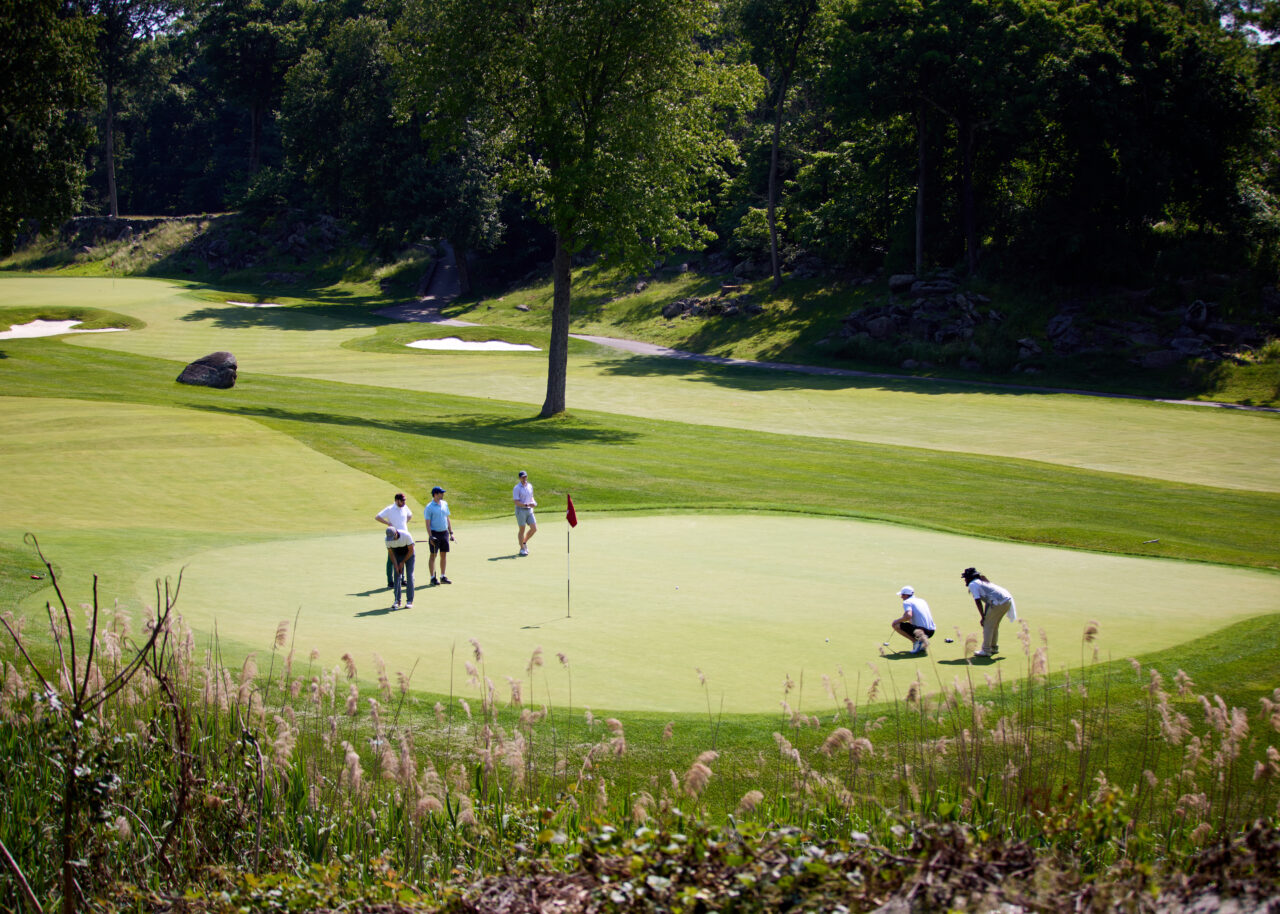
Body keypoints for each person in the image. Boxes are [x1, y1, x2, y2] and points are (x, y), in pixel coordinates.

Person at [962, 567, 1018, 657]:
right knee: (994, 625)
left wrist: (983, 617)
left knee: (988, 625)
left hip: (1000, 602)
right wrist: (984, 616)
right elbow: (988, 601)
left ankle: (986, 650)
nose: (965, 580)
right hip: (1006, 601)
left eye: (966, 578)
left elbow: (978, 601)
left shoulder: (973, 584)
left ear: (970, 577)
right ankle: (993, 648)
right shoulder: (981, 582)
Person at [375, 493, 412, 588]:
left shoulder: (405, 507)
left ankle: (402, 579)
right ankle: (390, 581)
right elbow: (377, 517)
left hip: (404, 537)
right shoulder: (390, 509)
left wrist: (404, 523)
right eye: (402, 500)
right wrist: (388, 523)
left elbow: (410, 515)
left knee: (403, 558)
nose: (404, 502)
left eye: (404, 500)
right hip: (393, 537)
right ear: (396, 500)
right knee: (391, 560)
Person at [891, 586, 936, 654]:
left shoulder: (907, 602)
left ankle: (916, 643)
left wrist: (896, 621)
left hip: (921, 631)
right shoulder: (922, 600)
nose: (901, 597)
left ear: (906, 595)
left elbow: (908, 616)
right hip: (932, 631)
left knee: (895, 625)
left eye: (902, 595)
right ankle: (922, 643)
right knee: (910, 623)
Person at [424, 485, 455, 585]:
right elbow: (427, 523)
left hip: (444, 532)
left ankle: (442, 576)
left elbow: (447, 518)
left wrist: (451, 532)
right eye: (441, 493)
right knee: (433, 555)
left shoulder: (444, 504)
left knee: (443, 554)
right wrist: (430, 536)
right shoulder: (429, 507)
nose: (443, 494)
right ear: (435, 494)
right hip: (435, 533)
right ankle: (432, 577)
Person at [385, 526, 415, 609]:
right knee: (397, 575)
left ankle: (409, 601)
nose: (391, 539)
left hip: (409, 554)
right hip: (397, 554)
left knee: (409, 575)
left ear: (396, 533)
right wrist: (395, 565)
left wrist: (402, 562)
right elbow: (391, 553)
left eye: (392, 537)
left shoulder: (406, 535)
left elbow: (411, 550)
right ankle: (397, 600)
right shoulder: (387, 539)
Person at [513, 470, 537, 556]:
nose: (524, 478)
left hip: (529, 510)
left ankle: (524, 542)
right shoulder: (517, 488)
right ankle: (522, 549)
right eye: (522, 477)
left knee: (534, 528)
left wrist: (533, 502)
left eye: (525, 477)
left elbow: (531, 497)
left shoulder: (530, 486)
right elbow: (516, 502)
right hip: (520, 511)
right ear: (519, 478)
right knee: (522, 530)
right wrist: (526, 504)